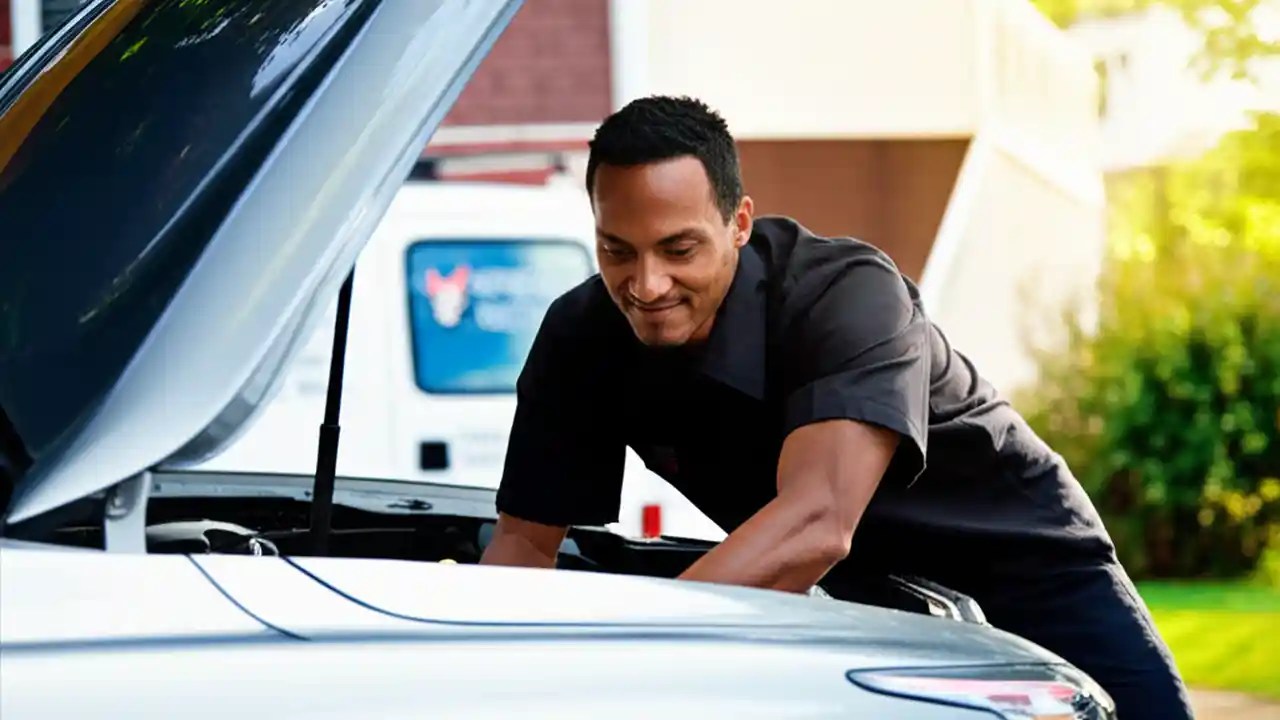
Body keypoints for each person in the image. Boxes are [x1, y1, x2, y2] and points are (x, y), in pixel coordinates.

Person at [479, 95, 1193, 719]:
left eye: (679, 249)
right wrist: (492, 683)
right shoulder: (581, 337)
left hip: (1032, 572)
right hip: (865, 597)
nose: (647, 283)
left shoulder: (847, 294)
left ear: (738, 223)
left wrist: (625, 663)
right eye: (617, 250)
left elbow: (817, 522)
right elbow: (524, 544)